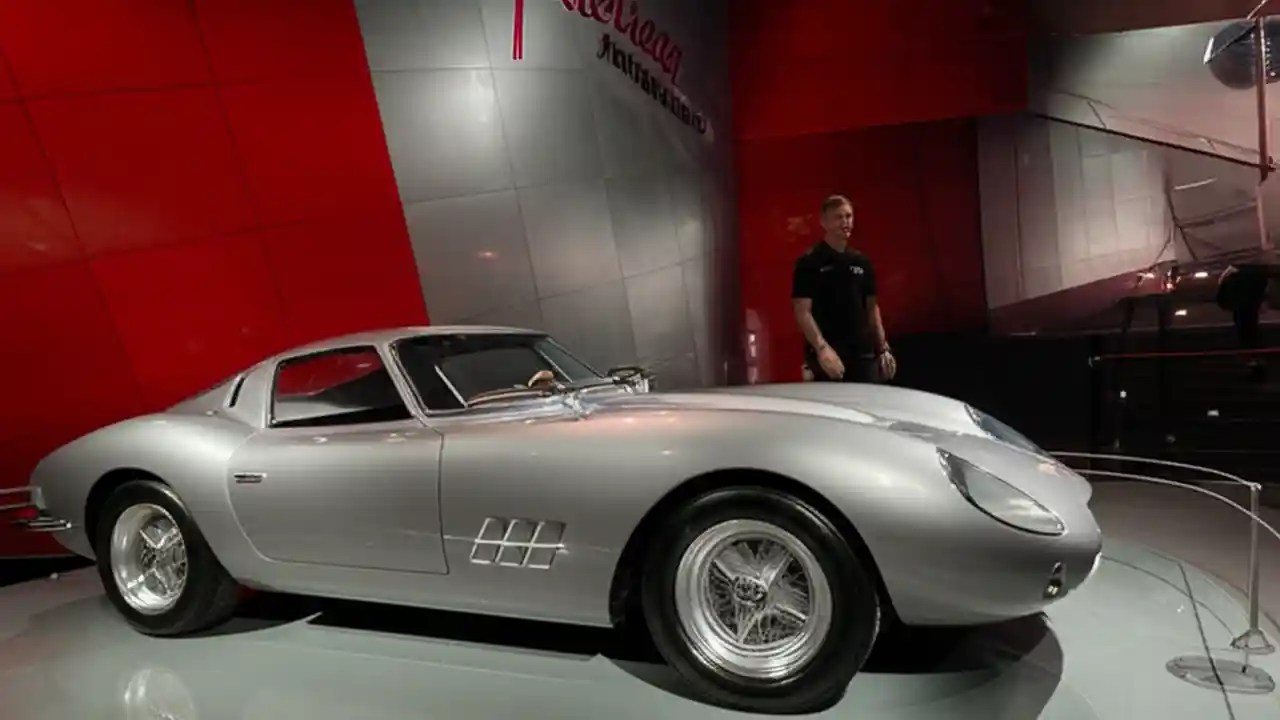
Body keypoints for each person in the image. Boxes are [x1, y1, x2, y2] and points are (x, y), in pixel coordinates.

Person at [792, 195, 895, 383]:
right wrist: (821, 349)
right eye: (838, 217)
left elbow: (872, 308)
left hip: (863, 356)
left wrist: (882, 348)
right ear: (824, 222)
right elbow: (802, 311)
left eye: (848, 216)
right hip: (829, 358)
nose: (845, 222)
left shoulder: (862, 262)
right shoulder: (809, 262)